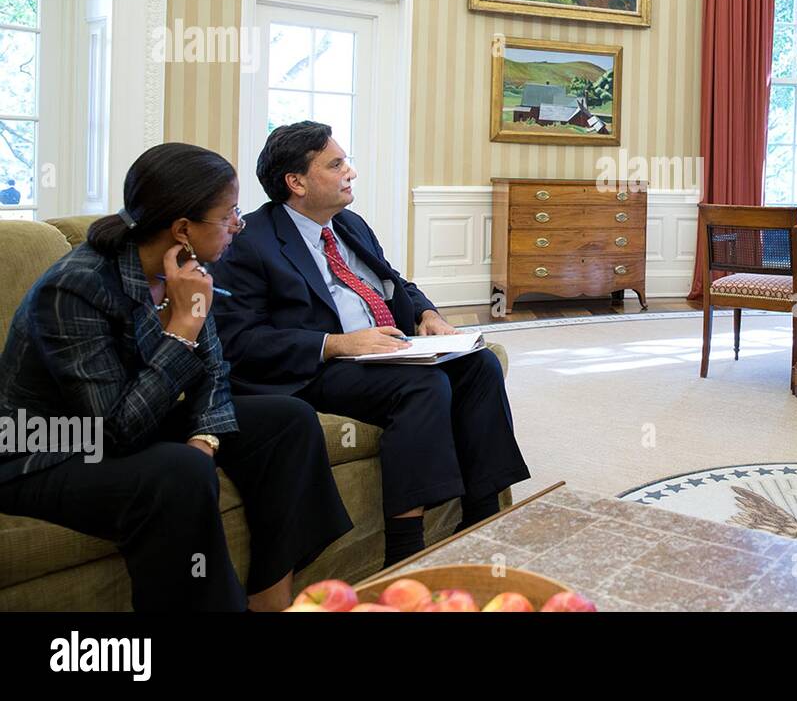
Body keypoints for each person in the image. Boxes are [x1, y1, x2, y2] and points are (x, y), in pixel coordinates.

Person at [0, 143, 352, 610]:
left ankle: (273, 596)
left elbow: (214, 373)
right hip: (51, 450)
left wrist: (205, 438)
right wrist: (184, 326)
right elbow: (117, 429)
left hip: (132, 417)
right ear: (182, 229)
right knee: (179, 471)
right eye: (228, 215)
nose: (237, 226)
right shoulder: (76, 286)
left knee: (288, 421)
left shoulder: (187, 268)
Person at [210, 122, 529, 566]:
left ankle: (481, 519)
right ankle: (404, 548)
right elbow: (240, 341)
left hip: (389, 349)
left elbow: (395, 281)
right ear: (296, 182)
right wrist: (337, 343)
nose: (351, 172)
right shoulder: (250, 241)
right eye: (336, 164)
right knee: (423, 387)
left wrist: (427, 315)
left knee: (480, 366)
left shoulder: (349, 224)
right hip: (320, 367)